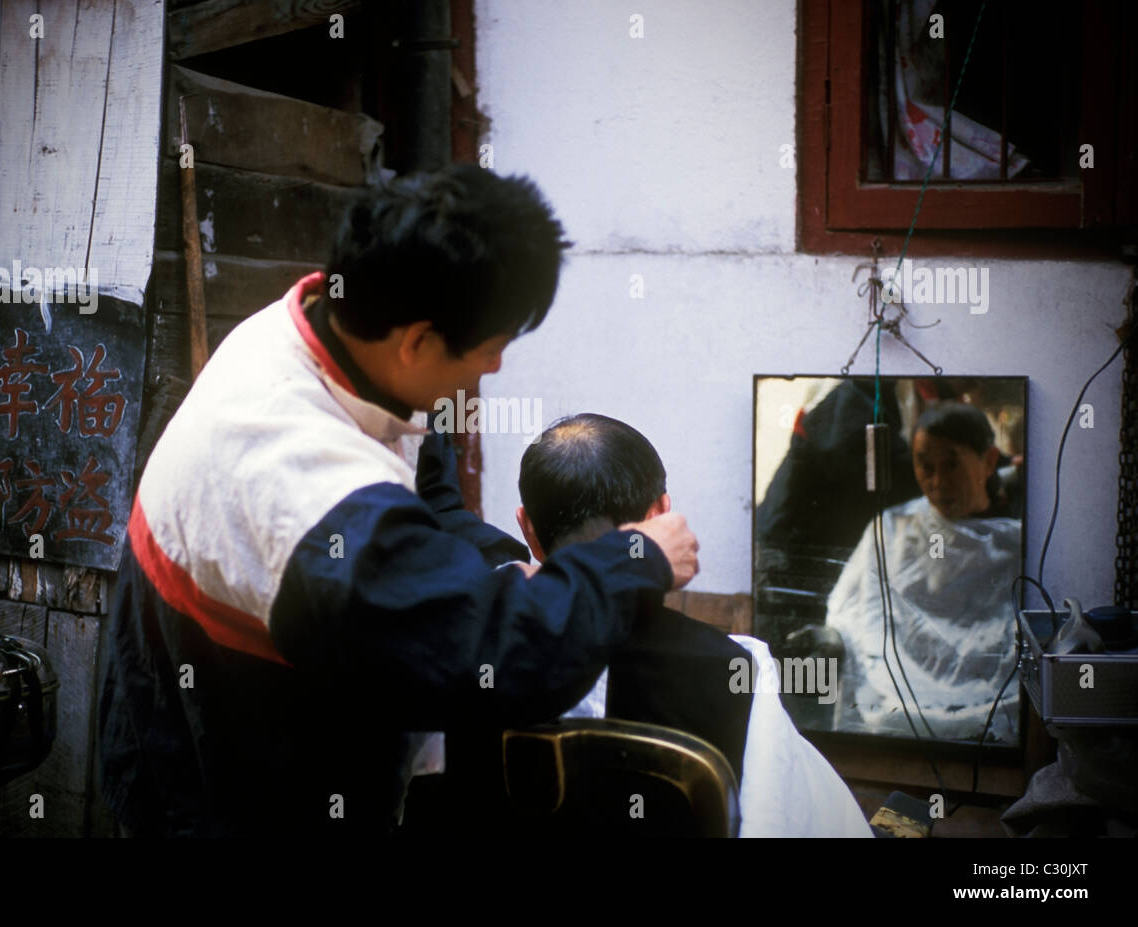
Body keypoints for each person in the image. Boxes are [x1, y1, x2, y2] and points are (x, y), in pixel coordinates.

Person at [95, 165, 701, 836]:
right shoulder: (302, 481)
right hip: (227, 776)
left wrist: (497, 571)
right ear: (417, 341)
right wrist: (635, 557)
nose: (494, 368)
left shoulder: (325, 328)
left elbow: (428, 495)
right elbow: (496, 658)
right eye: (493, 347)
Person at [507, 413, 871, 838]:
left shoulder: (479, 654)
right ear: (661, 514)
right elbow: (777, 819)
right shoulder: (735, 670)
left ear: (527, 527)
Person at [825, 401, 1022, 742]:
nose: (937, 481)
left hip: (993, 700)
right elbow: (860, 612)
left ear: (988, 461)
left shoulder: (1016, 538)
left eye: (951, 465)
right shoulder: (891, 528)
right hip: (898, 698)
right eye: (924, 465)